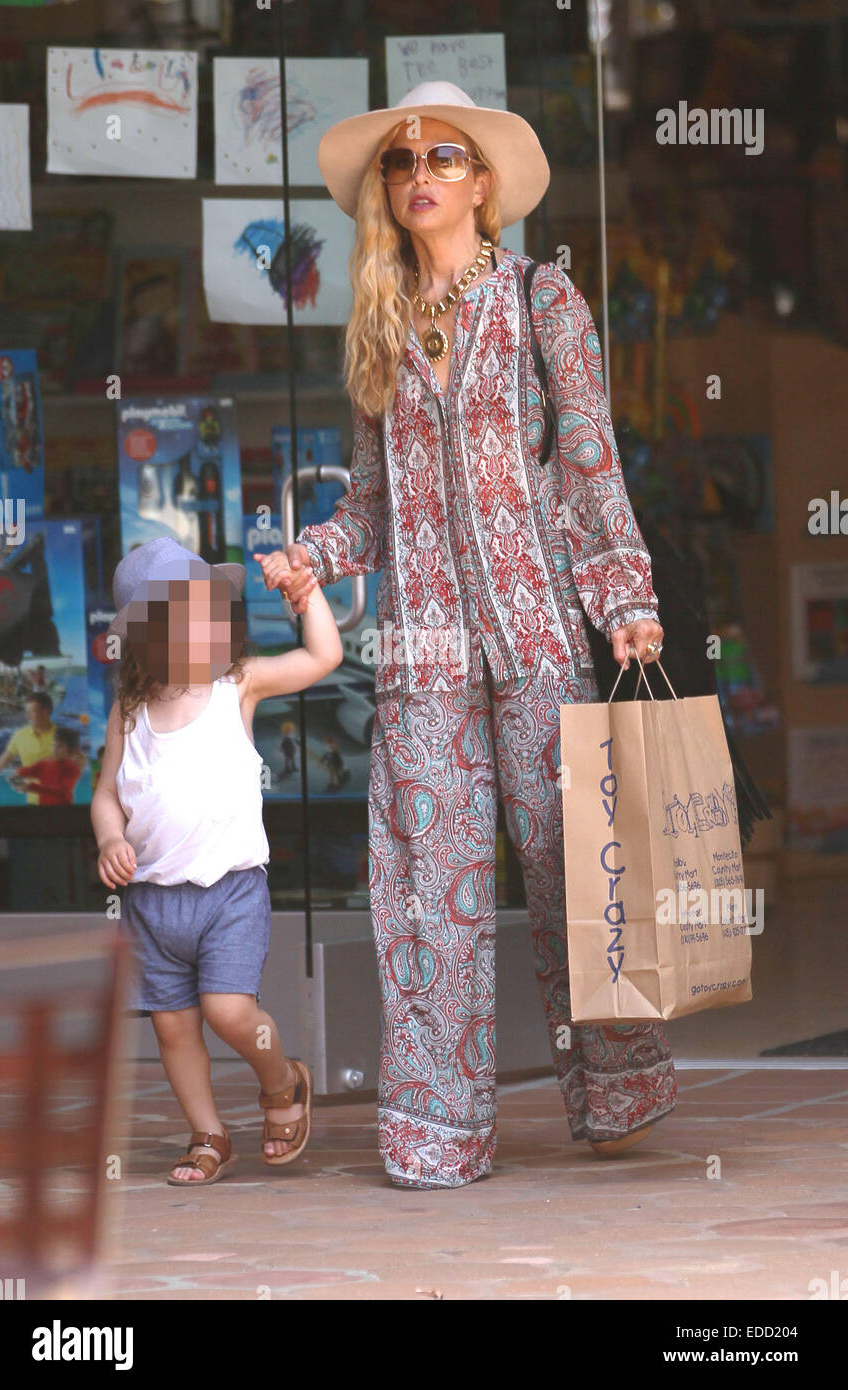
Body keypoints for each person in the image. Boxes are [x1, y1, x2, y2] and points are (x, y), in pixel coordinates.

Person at [273, 81, 675, 1189]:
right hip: (419, 655)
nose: (420, 179)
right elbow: (368, 502)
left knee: (565, 870)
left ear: (483, 184)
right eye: (402, 165)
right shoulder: (380, 321)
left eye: (443, 159)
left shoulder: (544, 300)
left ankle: (617, 1085)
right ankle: (436, 1130)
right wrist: (317, 552)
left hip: (541, 631)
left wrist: (624, 597)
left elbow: (589, 460)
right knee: (422, 886)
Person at [91, 537, 341, 1185]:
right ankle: (208, 1134)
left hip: (229, 891)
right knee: (173, 1028)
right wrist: (110, 839)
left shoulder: (239, 685)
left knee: (230, 1012)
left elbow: (323, 655)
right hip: (151, 902)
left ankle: (282, 1084)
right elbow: (106, 795)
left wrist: (304, 594)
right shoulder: (130, 713)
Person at [0, 691, 55, 804]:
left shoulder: (62, 736)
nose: (27, 716)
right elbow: (0, 763)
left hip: (60, 805)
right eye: (27, 712)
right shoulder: (20, 735)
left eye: (32, 712)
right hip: (33, 804)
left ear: (46, 711)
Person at [12, 725, 85, 805]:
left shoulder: (73, 769)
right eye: (54, 745)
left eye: (59, 747)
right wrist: (17, 776)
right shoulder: (44, 764)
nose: (55, 749)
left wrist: (31, 787)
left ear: (71, 750)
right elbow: (27, 771)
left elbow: (61, 792)